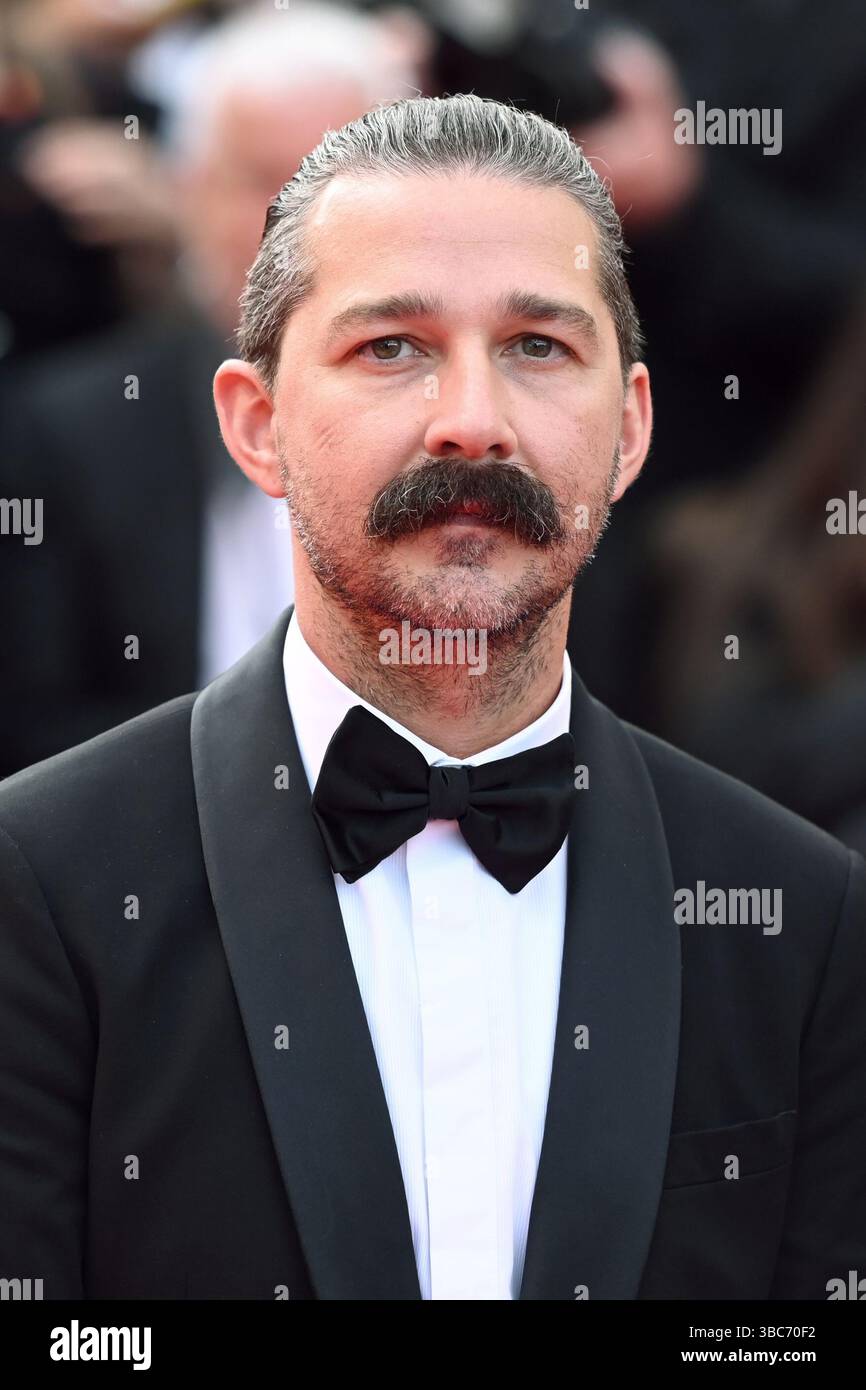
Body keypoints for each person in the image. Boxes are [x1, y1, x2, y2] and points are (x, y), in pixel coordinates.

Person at [0, 94, 864, 1301]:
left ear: (627, 432)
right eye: (390, 347)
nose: (471, 422)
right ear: (257, 426)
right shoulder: (39, 878)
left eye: (536, 348)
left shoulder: (799, 909)